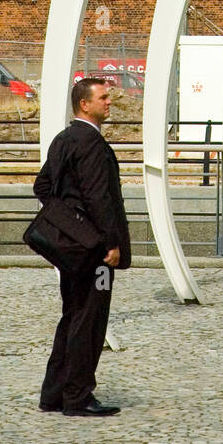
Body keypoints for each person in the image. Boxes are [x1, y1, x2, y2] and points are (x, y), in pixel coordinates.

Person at [34, 77, 131, 417]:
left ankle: (54, 393)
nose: (109, 102)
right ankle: (77, 396)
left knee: (72, 317)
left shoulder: (63, 139)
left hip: (71, 252)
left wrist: (66, 225)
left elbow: (42, 186)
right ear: (84, 104)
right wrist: (109, 243)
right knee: (90, 321)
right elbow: (98, 199)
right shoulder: (91, 143)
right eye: (103, 97)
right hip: (96, 255)